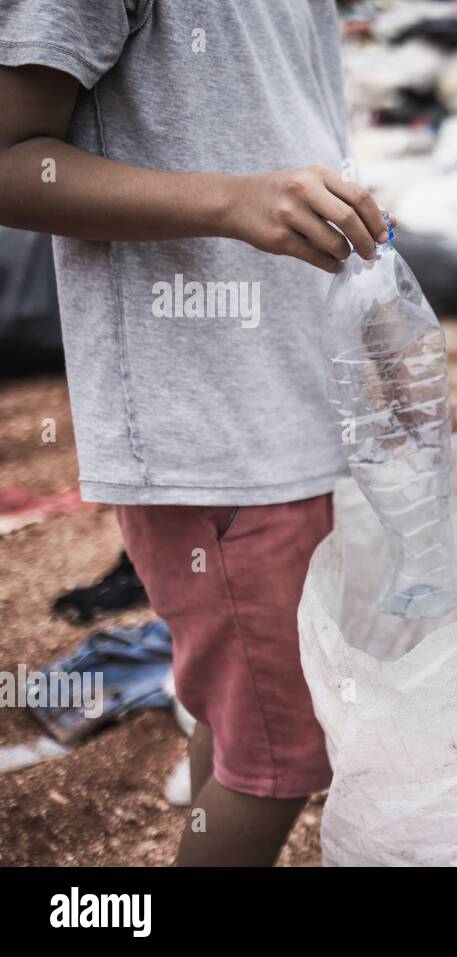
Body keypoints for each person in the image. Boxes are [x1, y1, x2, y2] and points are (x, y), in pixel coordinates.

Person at [0, 0, 383, 865]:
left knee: (253, 726)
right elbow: (11, 160)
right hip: (217, 437)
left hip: (297, 410)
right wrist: (233, 201)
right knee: (286, 761)